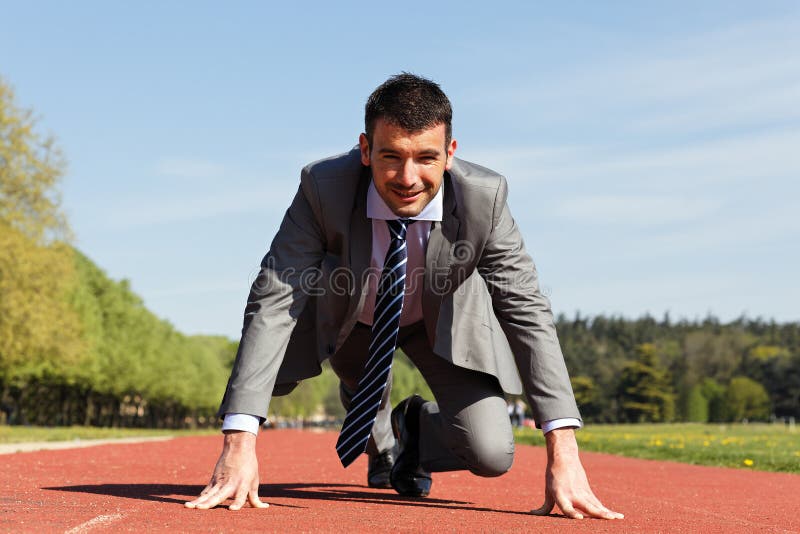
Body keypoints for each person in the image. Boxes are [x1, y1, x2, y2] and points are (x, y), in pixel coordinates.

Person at [186, 73, 622, 520]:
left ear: (451, 153)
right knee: (369, 415)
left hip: (442, 322)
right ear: (365, 149)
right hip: (354, 322)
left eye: (426, 158)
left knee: (492, 453)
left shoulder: (485, 198)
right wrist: (239, 440)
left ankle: (413, 428)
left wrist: (564, 449)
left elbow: (525, 308)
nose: (408, 178)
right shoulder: (322, 187)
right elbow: (275, 295)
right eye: (391, 156)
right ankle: (378, 433)